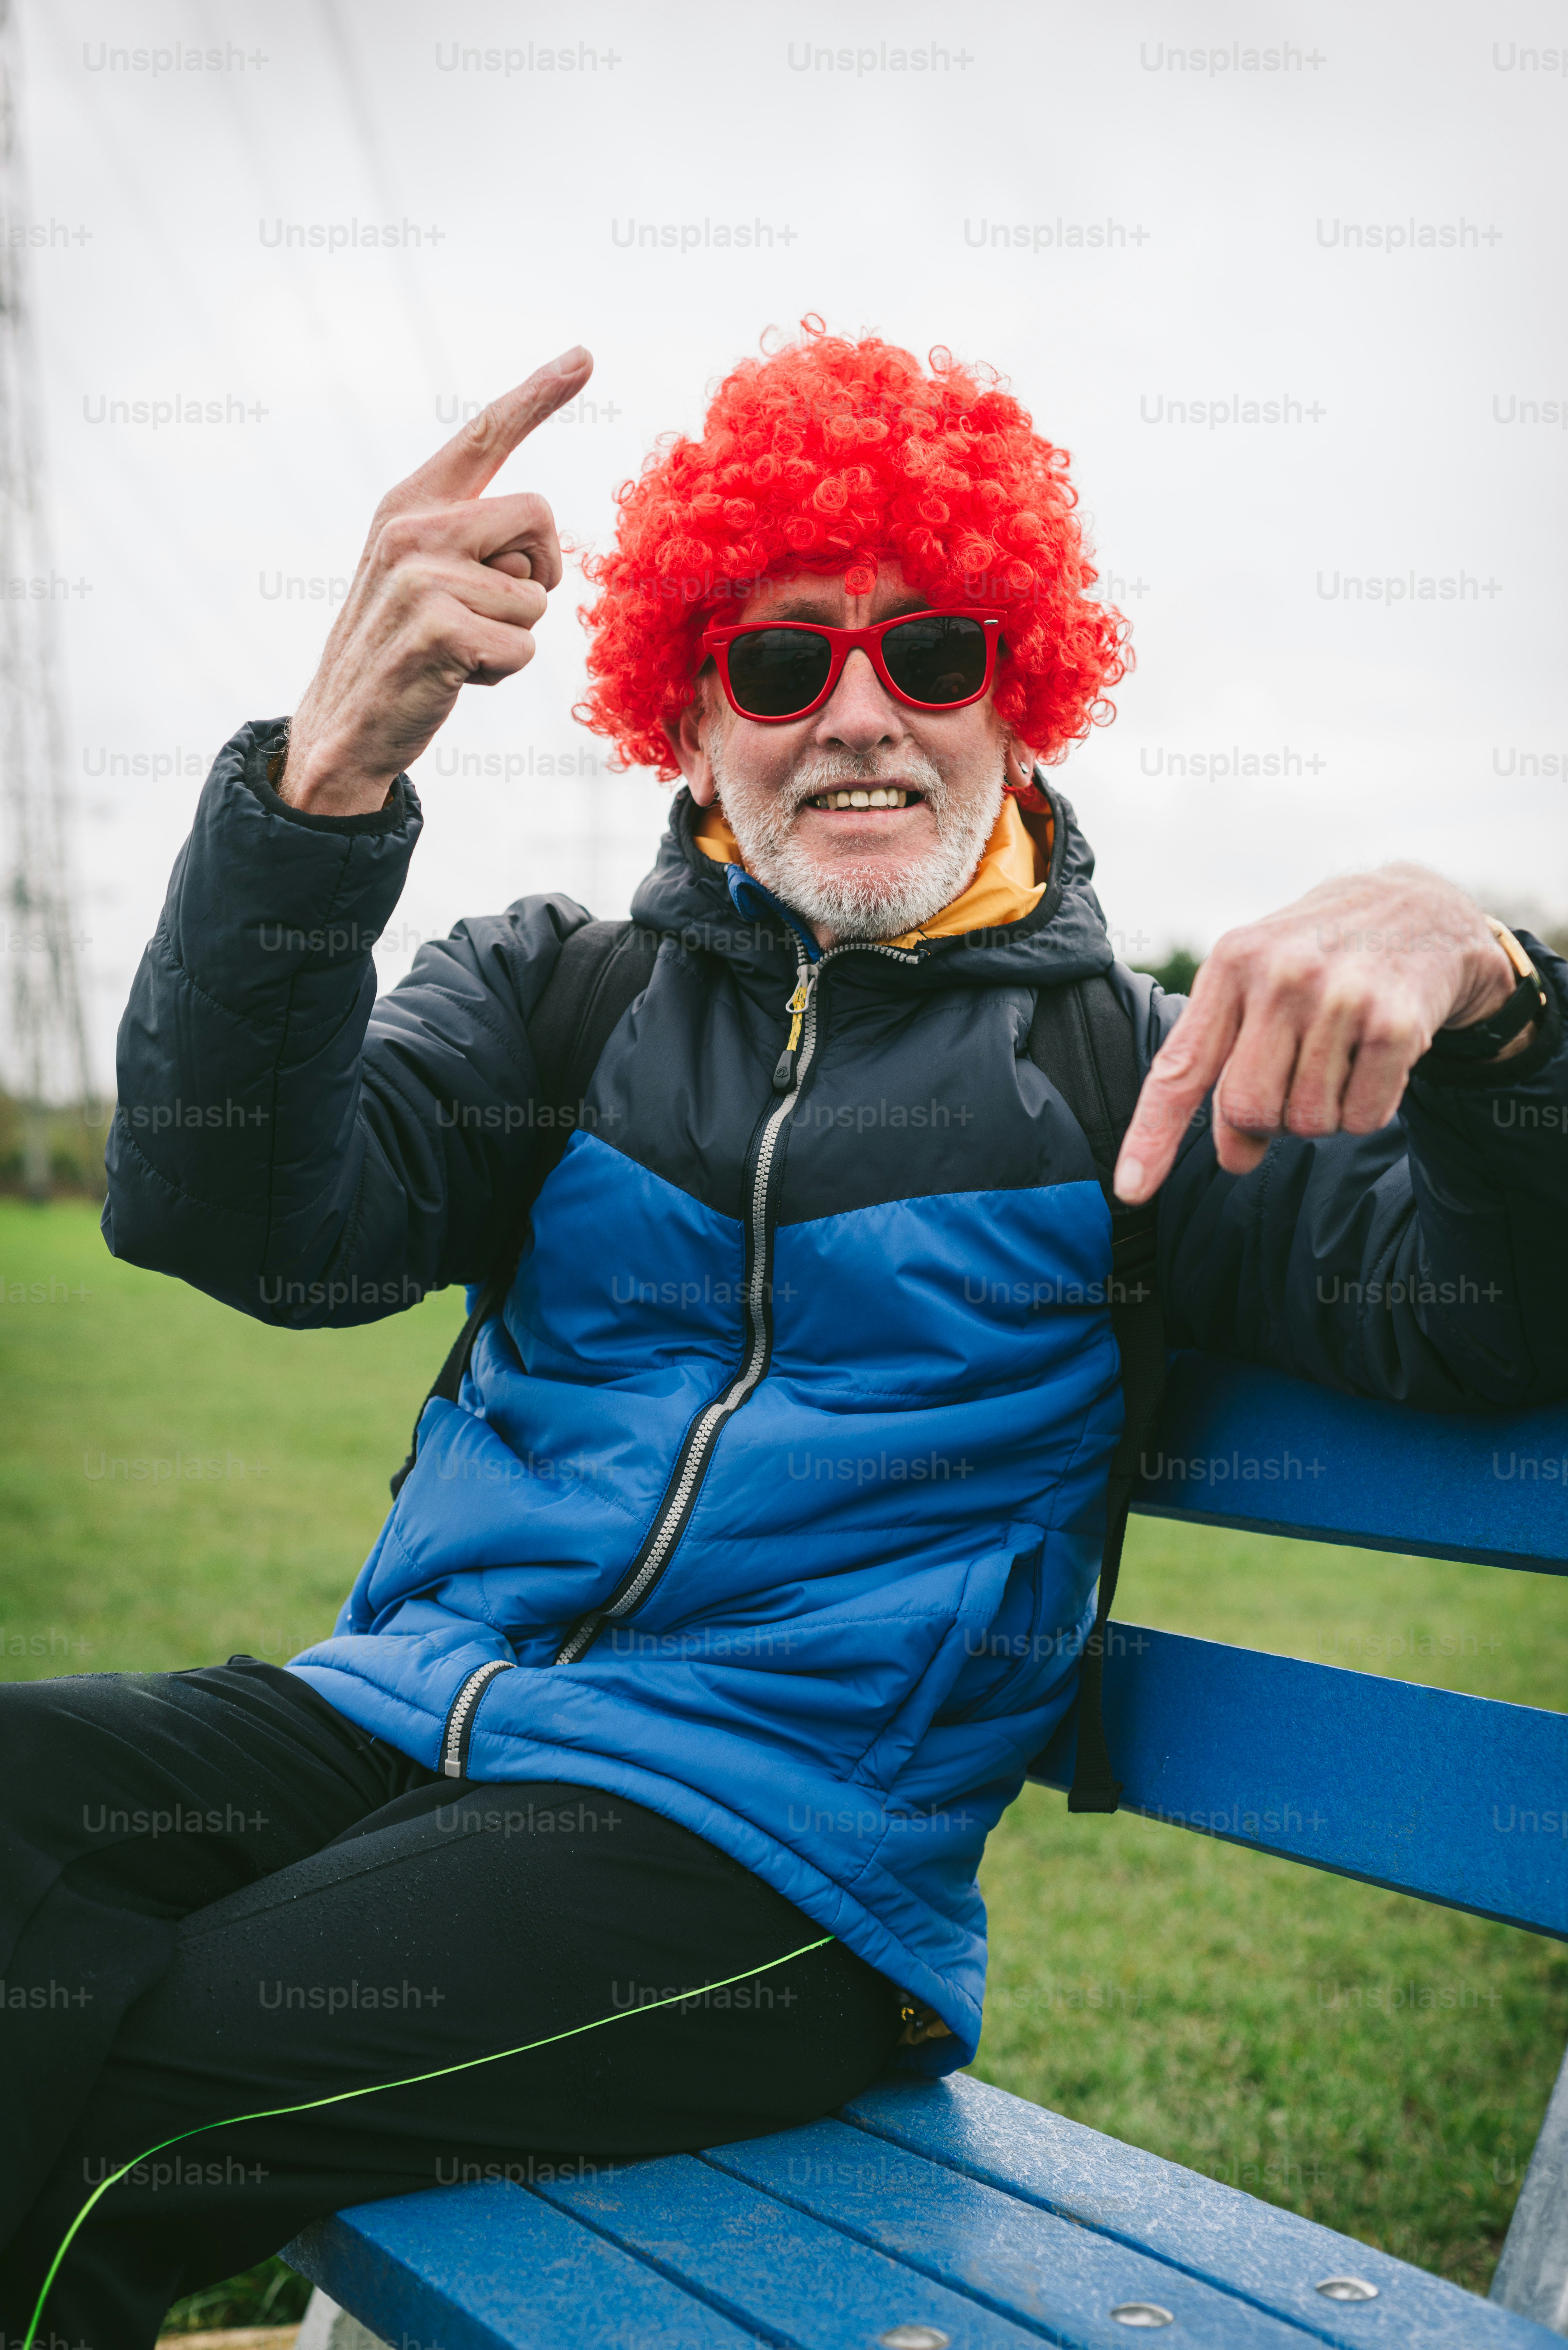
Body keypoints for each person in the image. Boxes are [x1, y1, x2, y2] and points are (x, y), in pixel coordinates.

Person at [4, 326, 1565, 2349]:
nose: (859, 718)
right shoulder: (550, 997)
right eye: (776, 661)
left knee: (123, 2113)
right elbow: (228, 1218)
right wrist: (328, 779)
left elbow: (1496, 1322)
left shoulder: (1154, 1083)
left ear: (1023, 694)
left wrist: (1512, 1004)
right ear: (689, 712)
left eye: (932, 656)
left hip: (766, 1864)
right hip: (400, 1718)